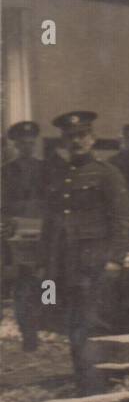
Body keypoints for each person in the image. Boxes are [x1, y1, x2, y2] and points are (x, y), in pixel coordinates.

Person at [40, 111, 129, 393]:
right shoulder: (60, 176)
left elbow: (123, 220)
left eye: (82, 135)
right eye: (71, 137)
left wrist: (115, 260)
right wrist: (45, 264)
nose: (77, 141)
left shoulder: (107, 174)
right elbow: (51, 223)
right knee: (73, 327)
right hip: (67, 266)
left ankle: (95, 391)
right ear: (64, 141)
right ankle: (83, 385)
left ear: (92, 139)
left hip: (97, 265)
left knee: (93, 325)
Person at [2, 121, 47, 351]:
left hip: (43, 235)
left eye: (31, 143)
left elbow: (54, 202)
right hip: (17, 236)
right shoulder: (7, 171)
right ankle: (28, 334)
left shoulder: (46, 168)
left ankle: (43, 326)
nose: (27, 147)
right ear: (16, 144)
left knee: (44, 283)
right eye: (23, 144)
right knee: (22, 285)